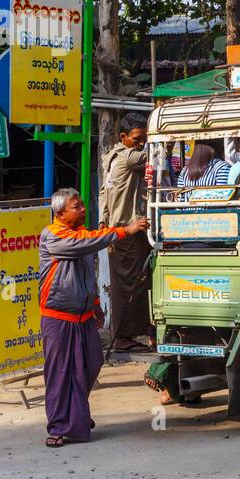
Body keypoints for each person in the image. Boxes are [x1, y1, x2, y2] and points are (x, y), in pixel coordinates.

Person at [38, 189, 148, 447]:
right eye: (76, 207)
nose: (83, 210)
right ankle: (57, 427)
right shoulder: (53, 236)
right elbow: (87, 243)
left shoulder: (80, 235)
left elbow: (88, 272)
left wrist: (96, 302)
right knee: (60, 373)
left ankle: (75, 415)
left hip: (84, 314)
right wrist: (124, 231)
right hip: (59, 317)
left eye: (82, 205)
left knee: (91, 364)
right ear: (60, 213)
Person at [98, 112, 152, 352]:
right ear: (123, 137)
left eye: (144, 139)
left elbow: (103, 192)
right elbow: (156, 154)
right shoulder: (130, 157)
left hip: (117, 230)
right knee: (132, 285)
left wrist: (103, 221)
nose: (142, 143)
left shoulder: (110, 157)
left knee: (128, 284)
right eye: (138, 139)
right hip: (129, 230)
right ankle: (124, 338)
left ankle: (138, 333)